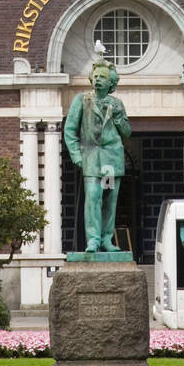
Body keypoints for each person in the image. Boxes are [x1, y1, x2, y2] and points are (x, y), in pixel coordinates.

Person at [64, 58, 131, 253]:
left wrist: (119, 117)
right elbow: (69, 130)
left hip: (111, 160)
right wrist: (76, 155)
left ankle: (106, 240)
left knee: (110, 199)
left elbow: (126, 132)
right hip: (92, 158)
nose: (99, 80)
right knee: (93, 197)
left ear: (111, 83)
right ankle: (93, 240)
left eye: (103, 77)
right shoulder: (82, 100)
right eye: (96, 77)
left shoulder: (117, 104)